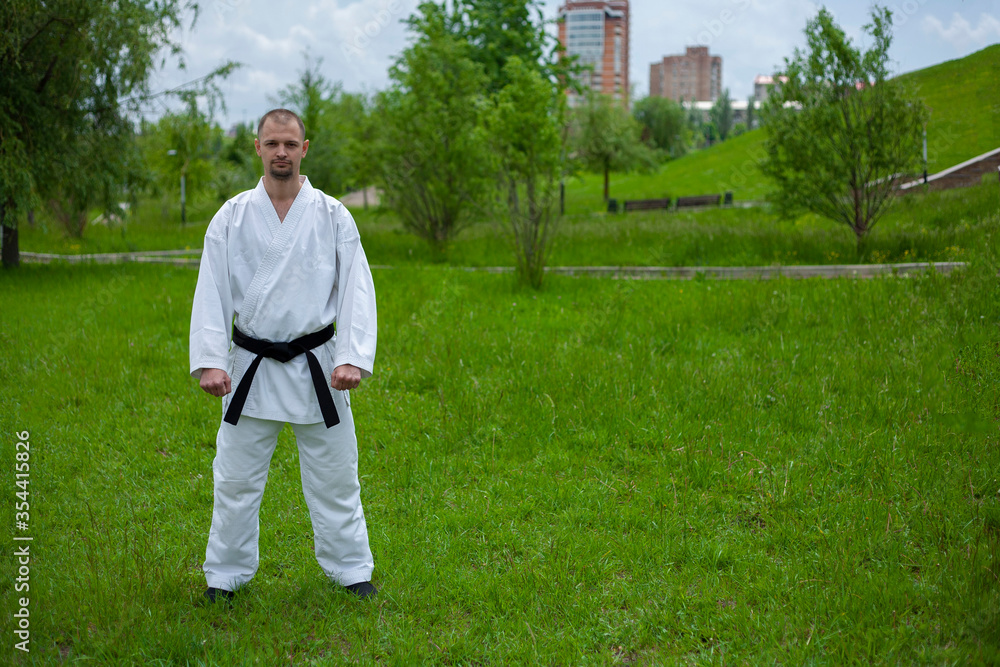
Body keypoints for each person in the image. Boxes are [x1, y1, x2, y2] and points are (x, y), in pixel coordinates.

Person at [189, 108, 378, 602]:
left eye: (290, 144)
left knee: (337, 475)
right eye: (272, 143)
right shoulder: (231, 216)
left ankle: (352, 568)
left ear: (304, 148)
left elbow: (357, 287)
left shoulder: (333, 214)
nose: (281, 153)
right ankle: (224, 576)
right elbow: (211, 289)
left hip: (319, 366)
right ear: (257, 147)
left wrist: (352, 356)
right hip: (249, 368)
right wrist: (211, 358)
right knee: (234, 478)